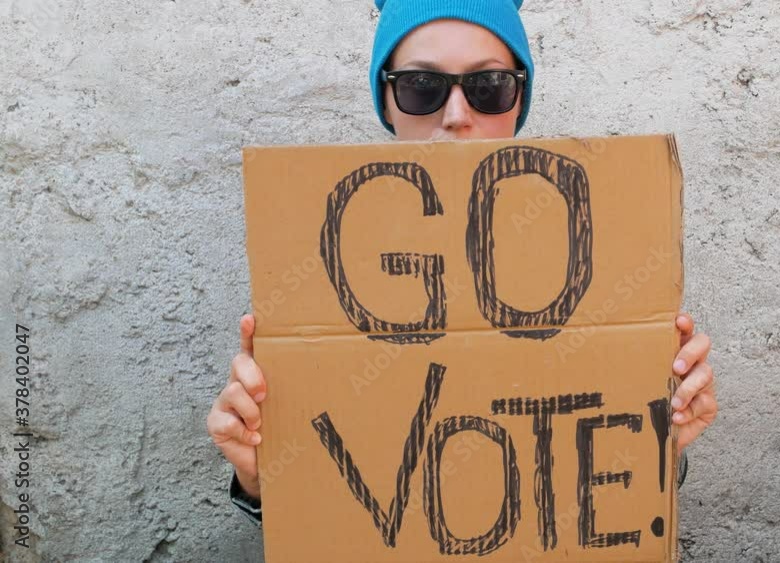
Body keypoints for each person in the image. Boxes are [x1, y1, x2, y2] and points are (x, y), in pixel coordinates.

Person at [207, 0, 718, 528]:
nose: (456, 116)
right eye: (421, 86)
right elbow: (338, 522)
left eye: (489, 87)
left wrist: (662, 441)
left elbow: (593, 496)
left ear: (518, 101)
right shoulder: (314, 270)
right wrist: (263, 478)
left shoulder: (597, 258)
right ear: (387, 99)